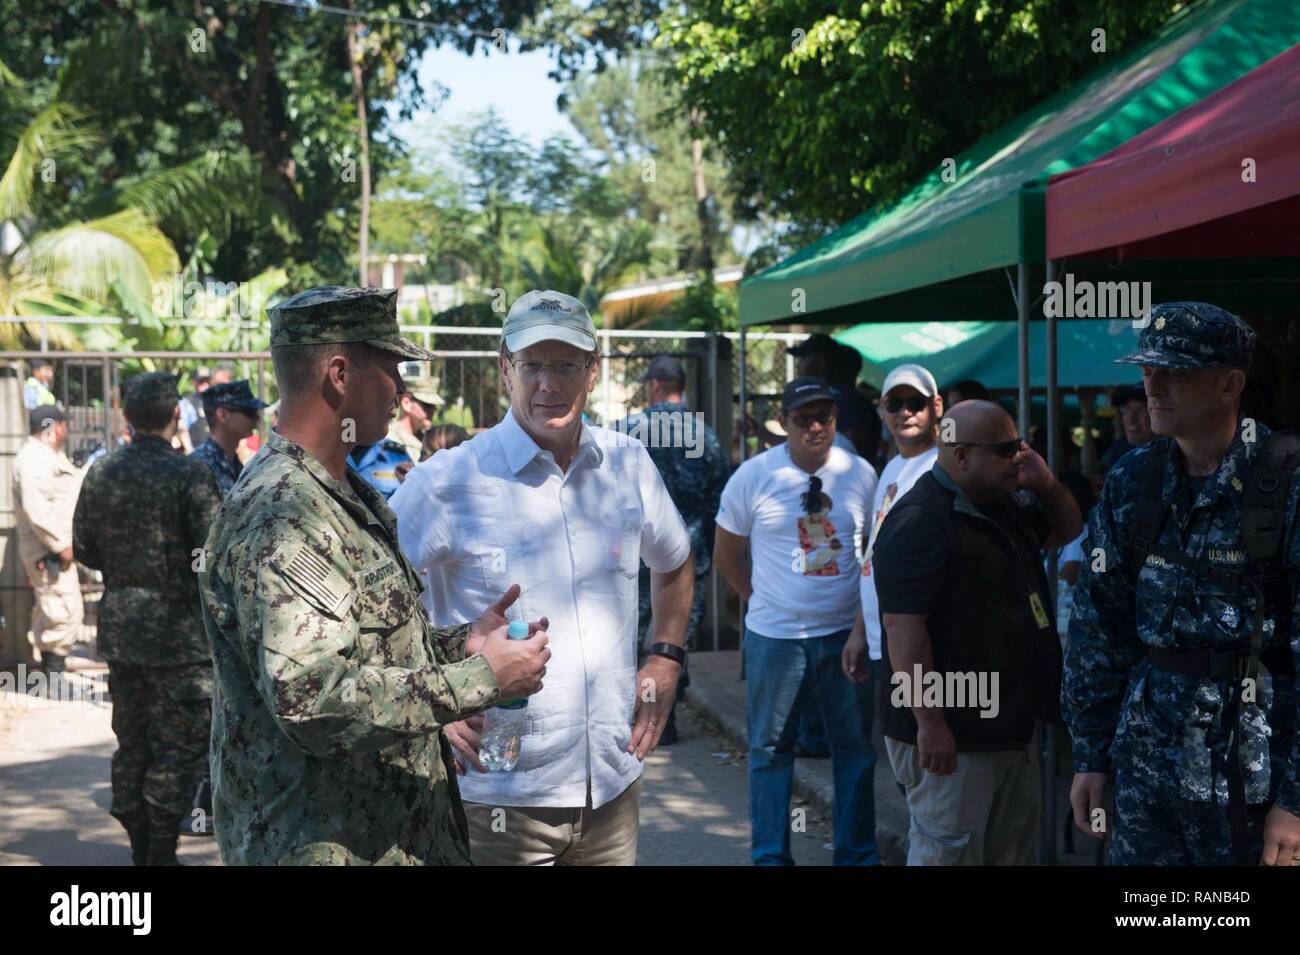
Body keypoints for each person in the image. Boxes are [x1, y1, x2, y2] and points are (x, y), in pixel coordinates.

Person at [199, 286, 549, 866]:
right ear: (339, 374)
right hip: (322, 842)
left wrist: (459, 643)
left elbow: (371, 643)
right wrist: (477, 680)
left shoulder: (338, 491)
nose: (402, 390)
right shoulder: (282, 513)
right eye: (391, 369)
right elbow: (314, 701)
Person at [392, 289, 694, 866]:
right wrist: (431, 698)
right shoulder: (448, 481)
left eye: (564, 365)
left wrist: (665, 657)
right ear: (505, 370)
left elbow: (675, 561)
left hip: (610, 787)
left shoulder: (628, 465)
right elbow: (366, 602)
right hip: (498, 800)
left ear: (592, 371)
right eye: (532, 365)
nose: (548, 385)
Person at [1065, 302, 1300, 867]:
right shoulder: (1133, 479)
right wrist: (1091, 754)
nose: (1154, 385)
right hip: (1149, 770)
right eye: (1148, 370)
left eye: (1176, 371)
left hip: (1252, 776)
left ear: (1230, 383)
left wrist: (1294, 800)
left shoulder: (1286, 482)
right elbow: (1098, 627)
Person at [873, 400, 1081, 865]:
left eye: (1021, 445)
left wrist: (1044, 481)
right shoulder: (921, 519)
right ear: (962, 455)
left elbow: (1069, 527)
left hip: (1008, 729)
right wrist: (931, 725)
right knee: (950, 856)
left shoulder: (1000, 502)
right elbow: (902, 631)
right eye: (1006, 449)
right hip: (954, 737)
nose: (1019, 457)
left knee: (1008, 855)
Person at [714, 376, 881, 865]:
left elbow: (873, 553)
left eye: (824, 417)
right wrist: (761, 598)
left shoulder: (860, 474)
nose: (815, 427)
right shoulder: (753, 475)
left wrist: (860, 625)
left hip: (844, 637)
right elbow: (727, 553)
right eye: (803, 418)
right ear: (783, 423)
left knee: (854, 751)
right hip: (776, 638)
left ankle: (856, 856)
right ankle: (770, 857)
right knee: (769, 752)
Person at [72, 373, 224, 866]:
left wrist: (126, 569)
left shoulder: (100, 472)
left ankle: (144, 851)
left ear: (126, 416)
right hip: (181, 639)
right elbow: (213, 554)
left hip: (122, 632)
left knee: (132, 741)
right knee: (180, 747)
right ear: (175, 415)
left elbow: (83, 548)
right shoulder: (188, 475)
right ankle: (159, 853)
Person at [619, 354, 729, 745]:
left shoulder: (628, 430)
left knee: (630, 631)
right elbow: (720, 497)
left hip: (633, 553)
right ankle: (664, 718)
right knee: (672, 636)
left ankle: (627, 713)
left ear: (654, 385)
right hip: (687, 555)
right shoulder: (706, 434)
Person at [843, 363, 942, 686]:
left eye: (916, 403)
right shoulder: (891, 467)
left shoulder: (945, 466)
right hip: (879, 639)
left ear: (936, 407)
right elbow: (874, 550)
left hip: (919, 643)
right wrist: (860, 629)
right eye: (894, 404)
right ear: (882, 411)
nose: (905, 412)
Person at [13, 405, 85, 672]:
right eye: (64, 425)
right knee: (62, 612)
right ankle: (53, 679)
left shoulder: (46, 456)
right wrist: (61, 545)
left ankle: (51, 675)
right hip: (49, 551)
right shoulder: (34, 459)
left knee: (54, 610)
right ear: (54, 427)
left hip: (53, 549)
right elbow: (38, 509)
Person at [189, 380, 267, 496]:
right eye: (248, 412)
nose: (256, 418)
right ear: (222, 415)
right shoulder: (199, 467)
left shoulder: (235, 464)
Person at [1101, 383, 1154, 472]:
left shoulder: (1172, 452)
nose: (1131, 419)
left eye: (1141, 410)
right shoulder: (1120, 447)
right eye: (1126, 409)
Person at [180, 367, 211, 449]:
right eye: (201, 381)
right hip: (196, 451)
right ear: (194, 383)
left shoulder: (216, 401)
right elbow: (182, 428)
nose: (205, 384)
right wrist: (189, 450)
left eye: (207, 380)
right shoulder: (187, 402)